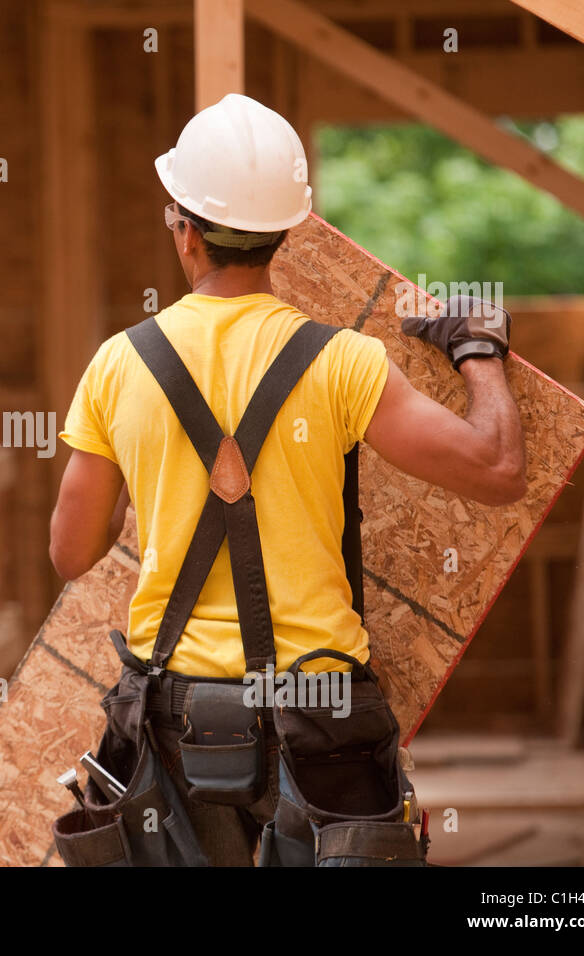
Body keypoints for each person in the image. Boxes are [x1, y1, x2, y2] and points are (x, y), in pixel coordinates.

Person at [48, 93, 526, 865]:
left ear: (187, 233)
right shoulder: (340, 363)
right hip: (321, 721)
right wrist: (477, 350)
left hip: (175, 726)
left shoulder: (119, 364)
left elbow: (71, 553)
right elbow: (499, 468)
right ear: (283, 234)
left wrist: (148, 470)